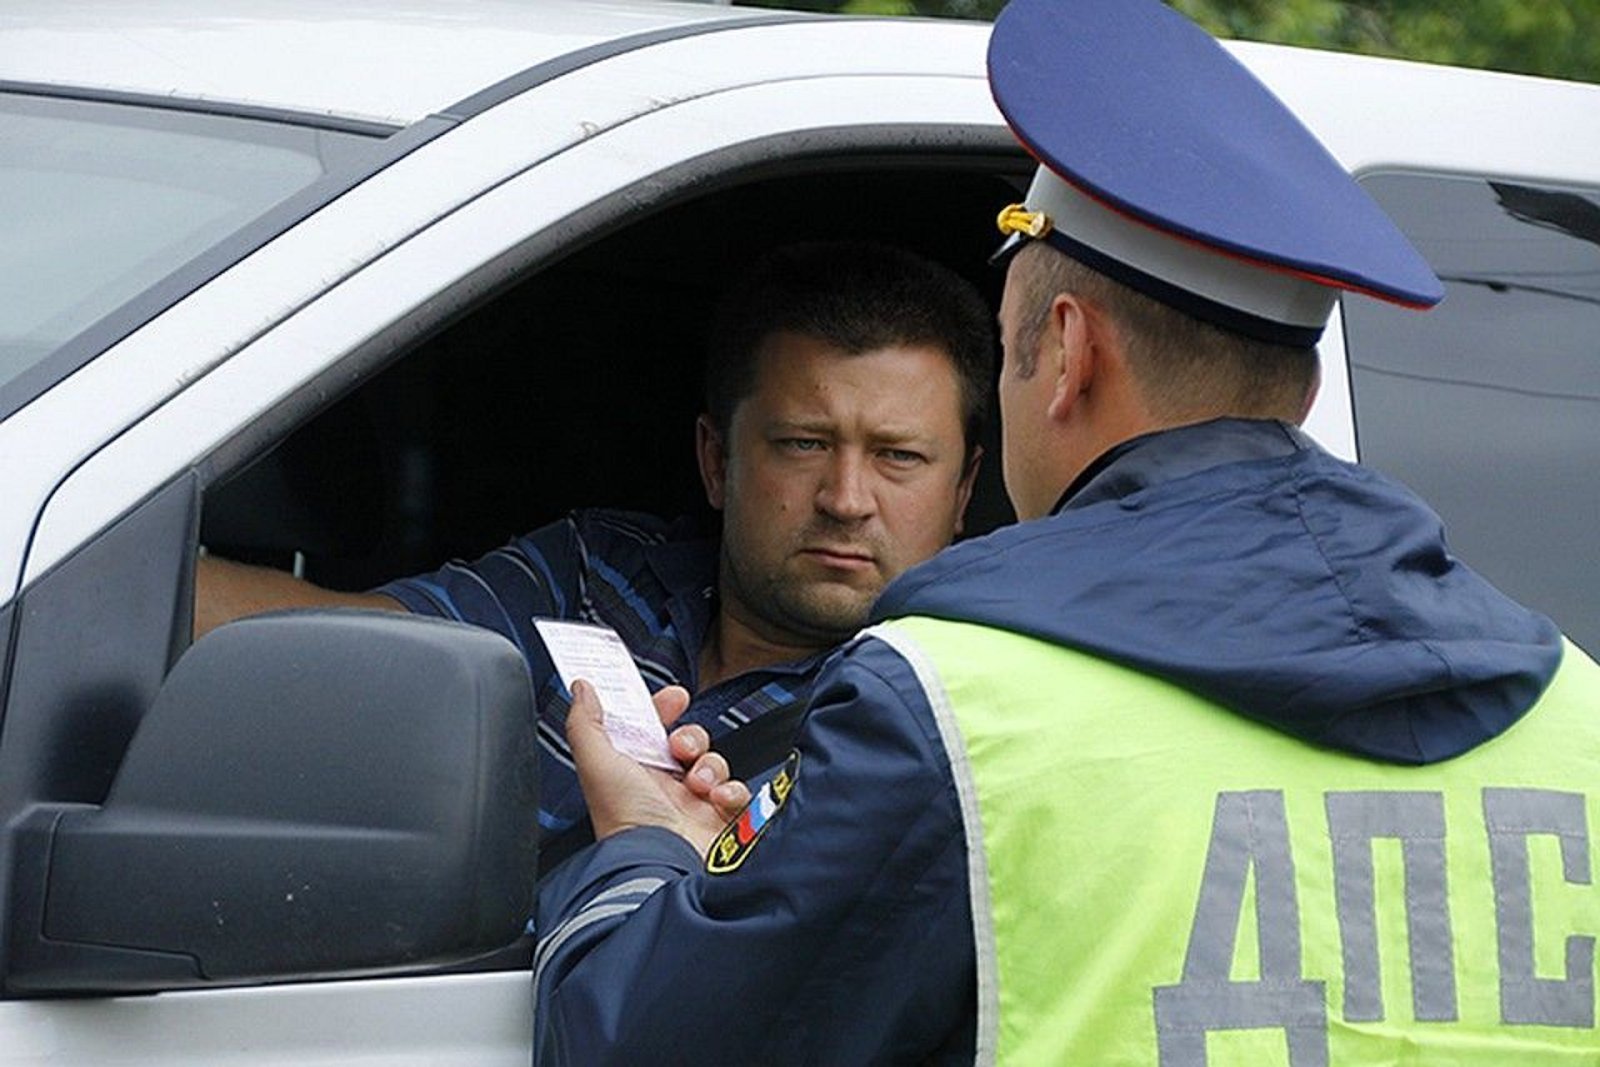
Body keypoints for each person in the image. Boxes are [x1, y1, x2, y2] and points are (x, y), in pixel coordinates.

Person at [531, 0, 1600, 1063]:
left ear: (1067, 347)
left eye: (1005, 350)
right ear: (1304, 380)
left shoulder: (956, 703)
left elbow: (642, 1042)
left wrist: (636, 851)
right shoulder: (1573, 706)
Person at [194, 240, 993, 860]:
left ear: (963, 494)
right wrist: (92, 575)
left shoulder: (947, 715)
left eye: (899, 457)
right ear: (717, 460)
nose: (847, 498)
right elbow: (333, 643)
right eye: (803, 444)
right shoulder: (602, 567)